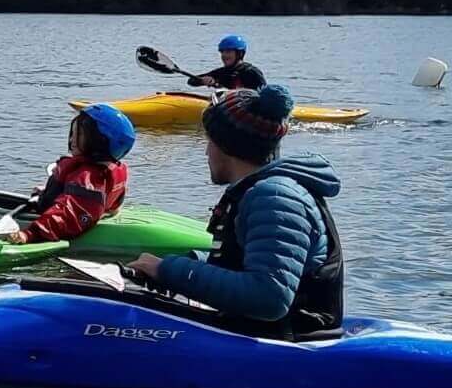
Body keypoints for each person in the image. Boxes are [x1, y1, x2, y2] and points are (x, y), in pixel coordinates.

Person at [127, 84, 343, 339]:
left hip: (286, 348)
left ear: (226, 146)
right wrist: (185, 262)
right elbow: (245, 263)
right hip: (256, 336)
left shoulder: (275, 197)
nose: (206, 151)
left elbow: (269, 298)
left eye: (209, 141)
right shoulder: (258, 191)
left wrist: (169, 271)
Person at [6, 104, 134, 244]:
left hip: (51, 227)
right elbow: (109, 199)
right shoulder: (111, 169)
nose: (72, 140)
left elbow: (69, 214)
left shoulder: (88, 179)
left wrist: (29, 234)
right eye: (72, 133)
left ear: (99, 141)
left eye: (79, 134)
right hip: (71, 210)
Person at [184, 34, 266, 91]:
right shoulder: (222, 72)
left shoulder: (252, 73)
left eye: (228, 51)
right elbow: (191, 81)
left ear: (239, 54)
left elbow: (265, 97)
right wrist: (202, 80)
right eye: (222, 52)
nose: (223, 55)